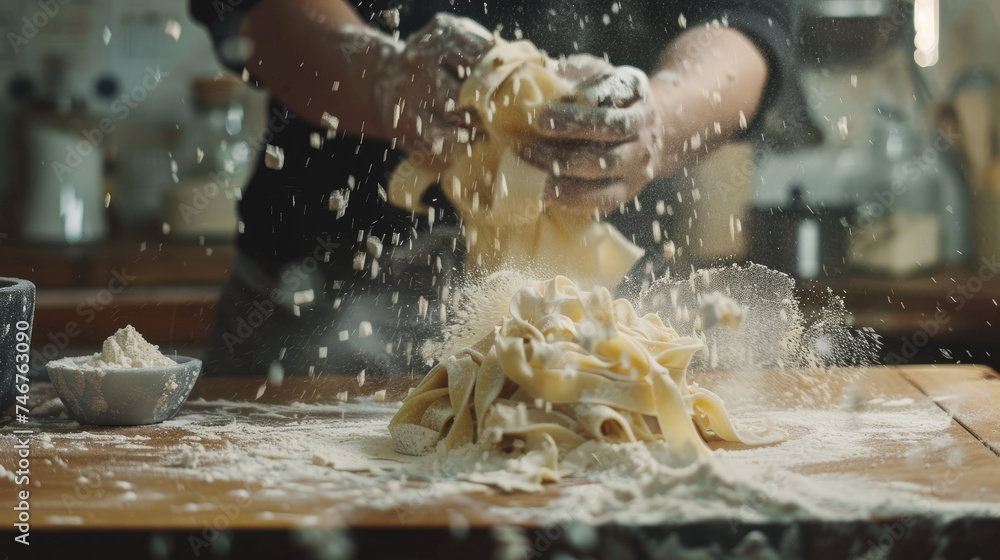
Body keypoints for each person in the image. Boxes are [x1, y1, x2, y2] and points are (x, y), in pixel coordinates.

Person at [189, 0, 793, 378]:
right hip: (309, 311)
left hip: (601, 315)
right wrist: (380, 77)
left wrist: (659, 115)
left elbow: (744, 26)